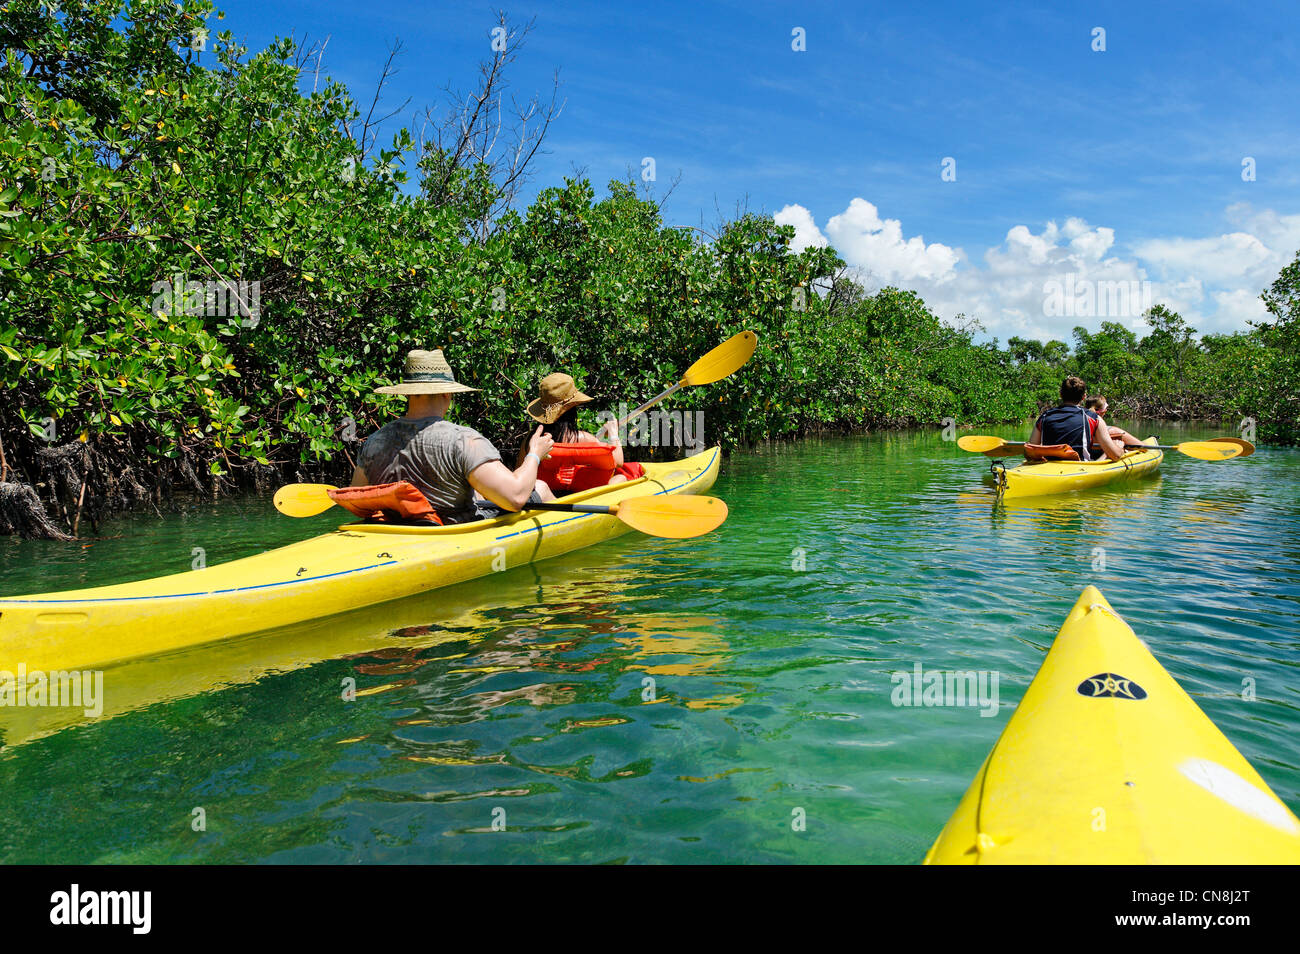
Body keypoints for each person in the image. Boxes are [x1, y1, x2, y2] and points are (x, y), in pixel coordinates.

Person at [351, 349, 556, 523]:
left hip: (397, 532)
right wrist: (535, 454)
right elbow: (515, 497)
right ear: (447, 394)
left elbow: (357, 498)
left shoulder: (374, 441)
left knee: (476, 491)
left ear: (408, 394)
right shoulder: (463, 440)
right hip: (454, 532)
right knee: (541, 487)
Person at [516, 373, 632, 494]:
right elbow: (618, 462)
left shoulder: (532, 440)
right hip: (580, 500)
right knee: (621, 478)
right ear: (572, 409)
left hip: (545, 496)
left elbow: (519, 471)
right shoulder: (583, 439)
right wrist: (613, 433)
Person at [1028, 375, 1126, 461]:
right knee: (1114, 452)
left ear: (1060, 394)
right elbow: (1116, 456)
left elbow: (1030, 452)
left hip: (1048, 469)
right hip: (1079, 469)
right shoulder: (1094, 418)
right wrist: (1119, 447)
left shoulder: (1044, 416)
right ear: (1083, 397)